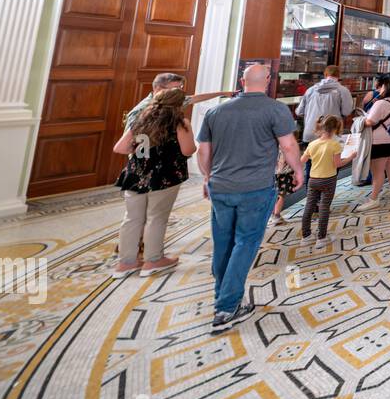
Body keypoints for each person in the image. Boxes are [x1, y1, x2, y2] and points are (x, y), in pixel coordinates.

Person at [197, 63, 303, 333]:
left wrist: (208, 178)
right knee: (245, 242)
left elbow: (203, 152)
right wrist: (299, 170)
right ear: (267, 80)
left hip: (221, 186)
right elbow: (288, 145)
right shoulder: (275, 109)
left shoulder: (216, 111)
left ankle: (222, 296)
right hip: (255, 188)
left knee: (223, 242)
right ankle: (228, 304)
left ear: (242, 81)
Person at [110, 88, 194, 277]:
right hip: (165, 176)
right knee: (156, 217)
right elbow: (188, 150)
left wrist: (144, 152)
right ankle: (153, 260)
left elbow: (120, 147)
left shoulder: (141, 120)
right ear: (179, 105)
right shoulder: (180, 123)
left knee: (132, 218)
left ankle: (125, 263)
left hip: (136, 175)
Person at [300, 114, 351, 247]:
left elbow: (301, 162)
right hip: (328, 180)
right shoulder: (335, 145)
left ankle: (306, 236)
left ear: (322, 127)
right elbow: (337, 164)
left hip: (313, 180)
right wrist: (351, 157)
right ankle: (321, 238)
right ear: (335, 129)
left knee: (309, 207)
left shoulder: (312, 144)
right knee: (324, 208)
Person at [356, 77, 390, 212]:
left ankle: (374, 199)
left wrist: (361, 120)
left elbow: (370, 122)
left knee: (377, 171)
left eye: (383, 86)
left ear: (388, 89)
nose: (380, 88)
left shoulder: (381, 103)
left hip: (380, 142)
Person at [124, 72, 232, 128]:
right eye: (175, 88)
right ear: (158, 88)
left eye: (180, 88)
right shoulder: (140, 110)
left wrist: (222, 93)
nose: (179, 91)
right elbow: (130, 140)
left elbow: (194, 98)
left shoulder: (172, 101)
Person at [299, 65, 354, 142]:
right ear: (338, 75)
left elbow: (299, 112)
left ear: (325, 74)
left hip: (311, 132)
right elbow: (346, 111)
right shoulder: (343, 91)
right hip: (330, 134)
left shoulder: (310, 90)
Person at [269, 148, 295, 226]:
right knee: (281, 195)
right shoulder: (284, 146)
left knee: (274, 195)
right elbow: (282, 161)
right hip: (283, 174)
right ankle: (276, 216)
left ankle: (273, 215)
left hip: (272, 173)